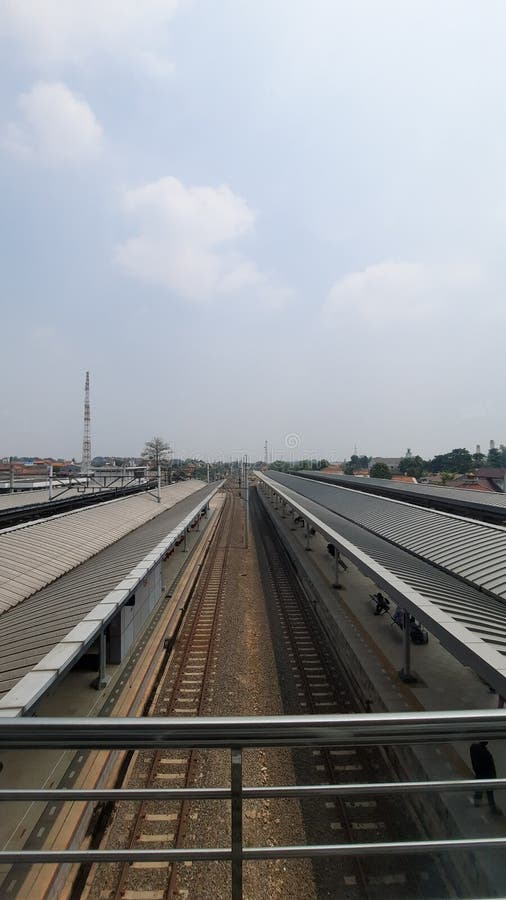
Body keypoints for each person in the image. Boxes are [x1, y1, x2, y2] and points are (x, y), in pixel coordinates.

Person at [470, 742, 502, 814]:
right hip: (486, 774)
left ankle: (477, 802)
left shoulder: (474, 748)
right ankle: (492, 807)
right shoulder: (481, 751)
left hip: (480, 773)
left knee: (480, 789)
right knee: (489, 791)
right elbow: (487, 764)